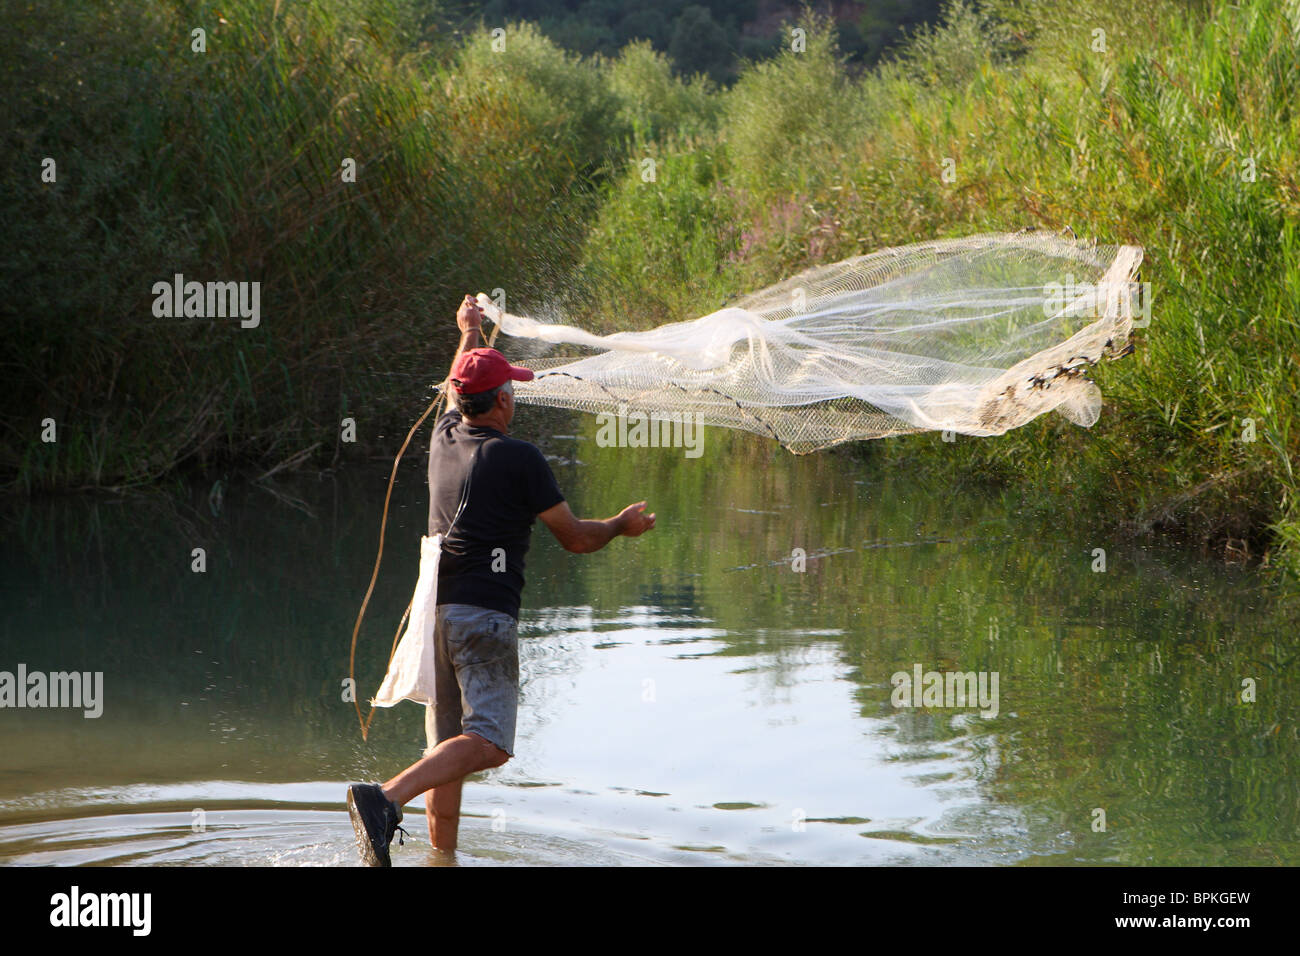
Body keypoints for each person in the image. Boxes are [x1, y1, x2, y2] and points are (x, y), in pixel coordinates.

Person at [346, 294, 656, 866]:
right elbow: (576, 537)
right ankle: (384, 799)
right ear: (504, 402)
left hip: (433, 613)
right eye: (510, 386)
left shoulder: (443, 437)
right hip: (482, 617)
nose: (515, 392)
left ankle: (443, 858)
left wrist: (467, 331)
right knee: (488, 742)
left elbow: (453, 384)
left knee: (448, 751)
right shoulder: (520, 458)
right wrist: (620, 525)